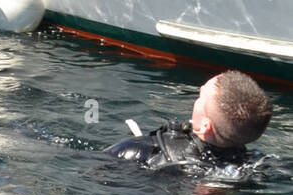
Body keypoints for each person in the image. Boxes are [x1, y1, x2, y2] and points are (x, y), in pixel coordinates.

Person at [106, 71, 274, 180]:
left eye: (200, 97)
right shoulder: (256, 165)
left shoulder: (138, 150)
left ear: (205, 126)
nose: (198, 94)